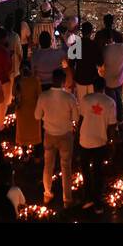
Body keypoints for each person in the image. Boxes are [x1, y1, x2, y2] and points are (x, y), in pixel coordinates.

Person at [34, 68, 79, 209]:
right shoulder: (69, 97)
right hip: (65, 134)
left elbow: (37, 116)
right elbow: (76, 118)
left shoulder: (44, 96)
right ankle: (67, 199)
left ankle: (47, 194)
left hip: (49, 134)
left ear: (52, 80)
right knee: (66, 166)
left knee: (48, 165)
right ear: (64, 81)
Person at [77, 76, 118, 210]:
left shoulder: (85, 99)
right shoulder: (110, 102)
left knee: (86, 170)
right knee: (98, 170)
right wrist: (112, 143)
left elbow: (81, 119)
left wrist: (77, 135)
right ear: (104, 87)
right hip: (100, 141)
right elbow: (112, 126)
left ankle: (87, 196)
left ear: (93, 86)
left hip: (85, 140)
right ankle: (97, 201)